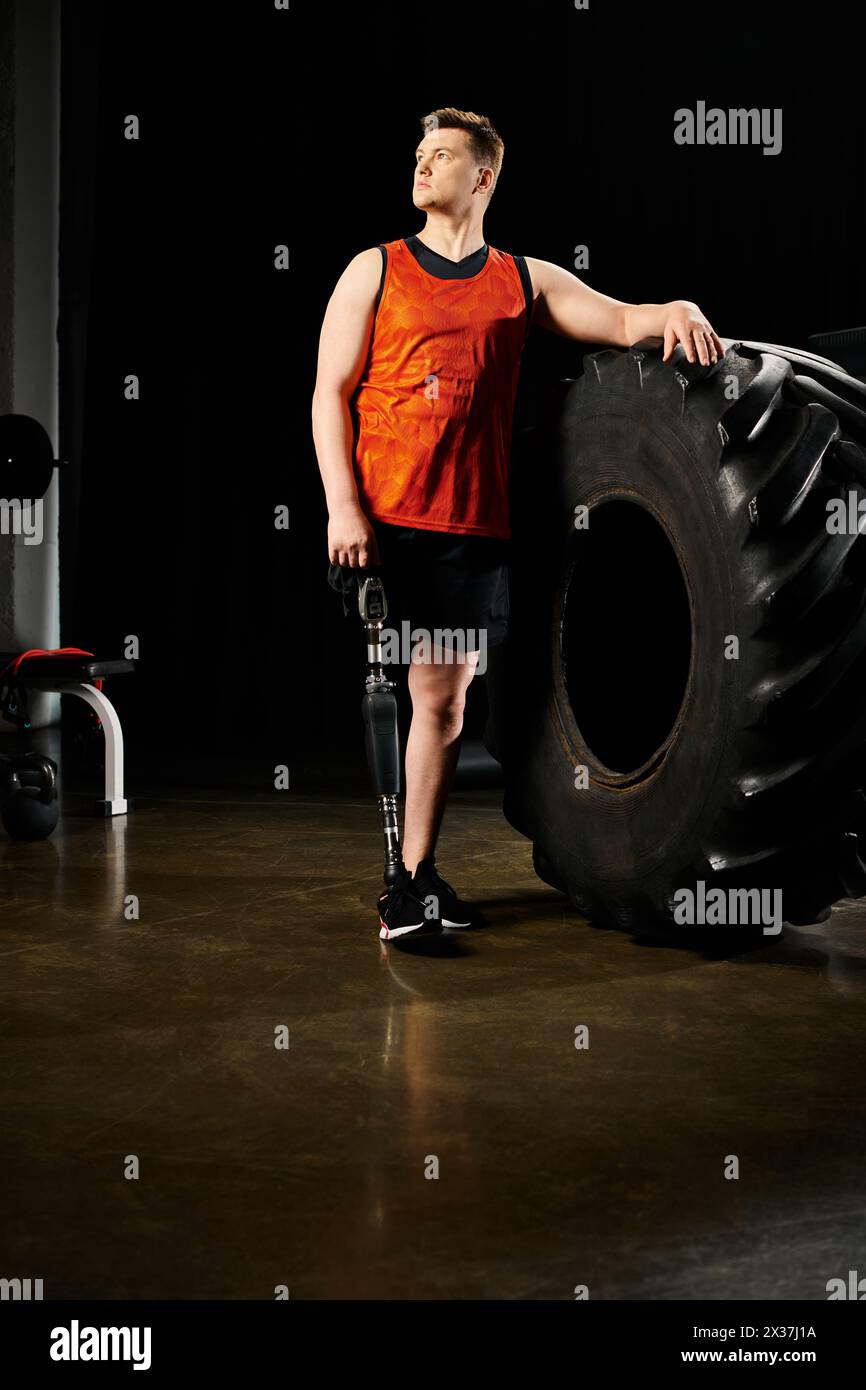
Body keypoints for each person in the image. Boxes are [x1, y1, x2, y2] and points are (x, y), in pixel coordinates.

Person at [311, 107, 723, 941]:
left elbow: (616, 319)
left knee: (446, 707)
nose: (422, 167)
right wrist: (342, 505)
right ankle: (405, 884)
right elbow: (329, 393)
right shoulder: (375, 270)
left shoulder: (521, 280)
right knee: (420, 698)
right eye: (419, 155)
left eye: (441, 156)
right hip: (387, 523)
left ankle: (414, 877)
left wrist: (671, 306)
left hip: (473, 529)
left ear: (484, 177)